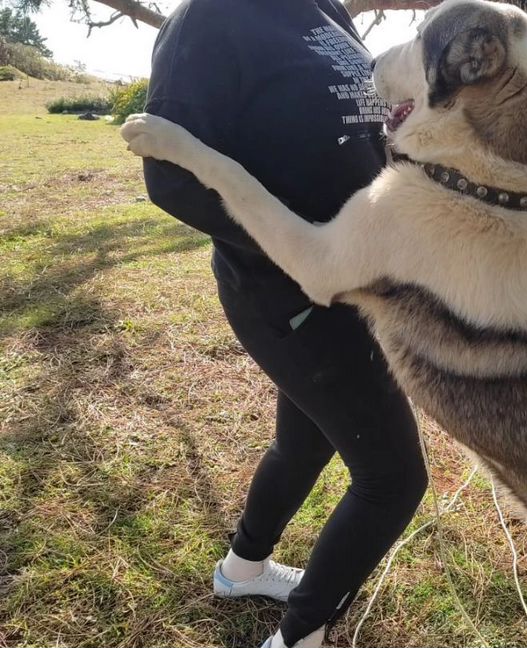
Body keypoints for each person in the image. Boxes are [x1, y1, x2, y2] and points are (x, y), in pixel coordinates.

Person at [141, 1, 428, 646]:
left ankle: (243, 569)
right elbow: (169, 179)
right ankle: (300, 636)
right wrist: (307, 250)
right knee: (394, 478)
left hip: (362, 282)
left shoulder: (323, 8)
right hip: (293, 292)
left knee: (307, 438)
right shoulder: (210, 21)